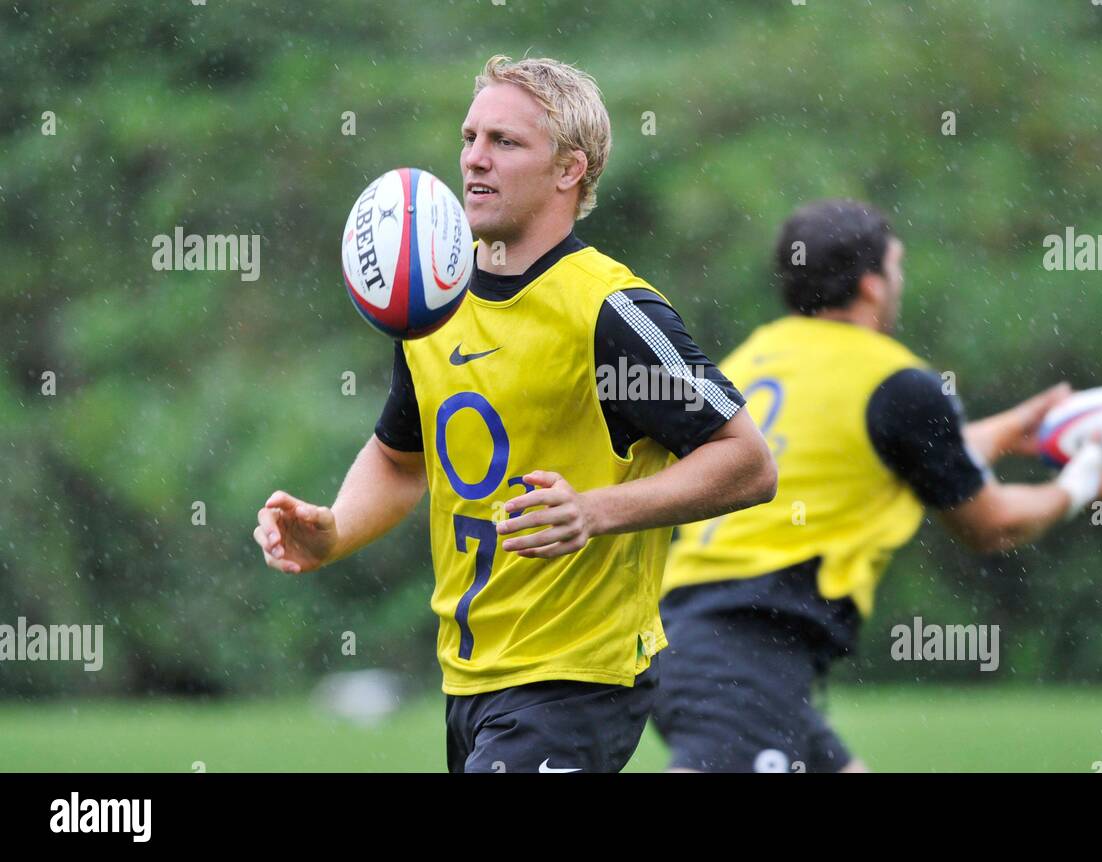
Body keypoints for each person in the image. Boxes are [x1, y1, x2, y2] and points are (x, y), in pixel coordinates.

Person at [252, 55, 776, 773]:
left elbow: (747, 462)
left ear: (569, 169)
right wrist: (333, 532)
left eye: (504, 142)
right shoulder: (433, 296)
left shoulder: (610, 313)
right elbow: (401, 460)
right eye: (469, 137)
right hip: (470, 683)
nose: (474, 159)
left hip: (575, 681)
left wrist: (594, 511)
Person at [651, 199, 1102, 773]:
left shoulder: (754, 358)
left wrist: (1003, 431)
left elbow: (866, 456)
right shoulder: (896, 382)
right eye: (896, 268)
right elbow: (993, 525)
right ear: (871, 286)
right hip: (747, 651)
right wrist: (1081, 482)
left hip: (696, 638)